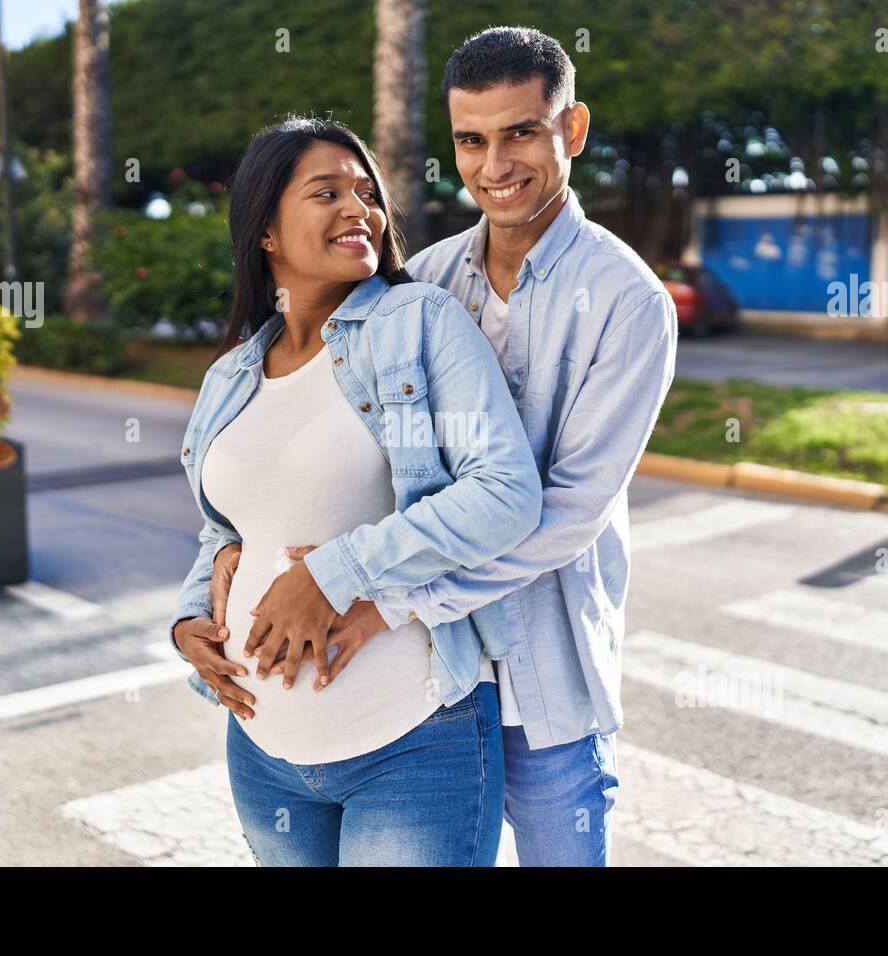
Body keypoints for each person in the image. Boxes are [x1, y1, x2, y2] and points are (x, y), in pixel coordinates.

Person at [276, 27, 679, 866]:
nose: (494, 164)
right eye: (471, 139)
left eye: (521, 132)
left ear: (571, 130)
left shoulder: (628, 301)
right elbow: (360, 448)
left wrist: (383, 597)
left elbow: (567, 511)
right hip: (426, 686)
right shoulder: (421, 280)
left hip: (544, 693)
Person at [168, 117, 543, 866]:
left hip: (410, 741)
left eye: (367, 192)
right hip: (263, 747)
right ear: (266, 230)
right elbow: (228, 532)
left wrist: (333, 574)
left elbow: (505, 493)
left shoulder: (418, 325)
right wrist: (187, 624)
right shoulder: (231, 375)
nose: (359, 209)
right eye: (327, 191)